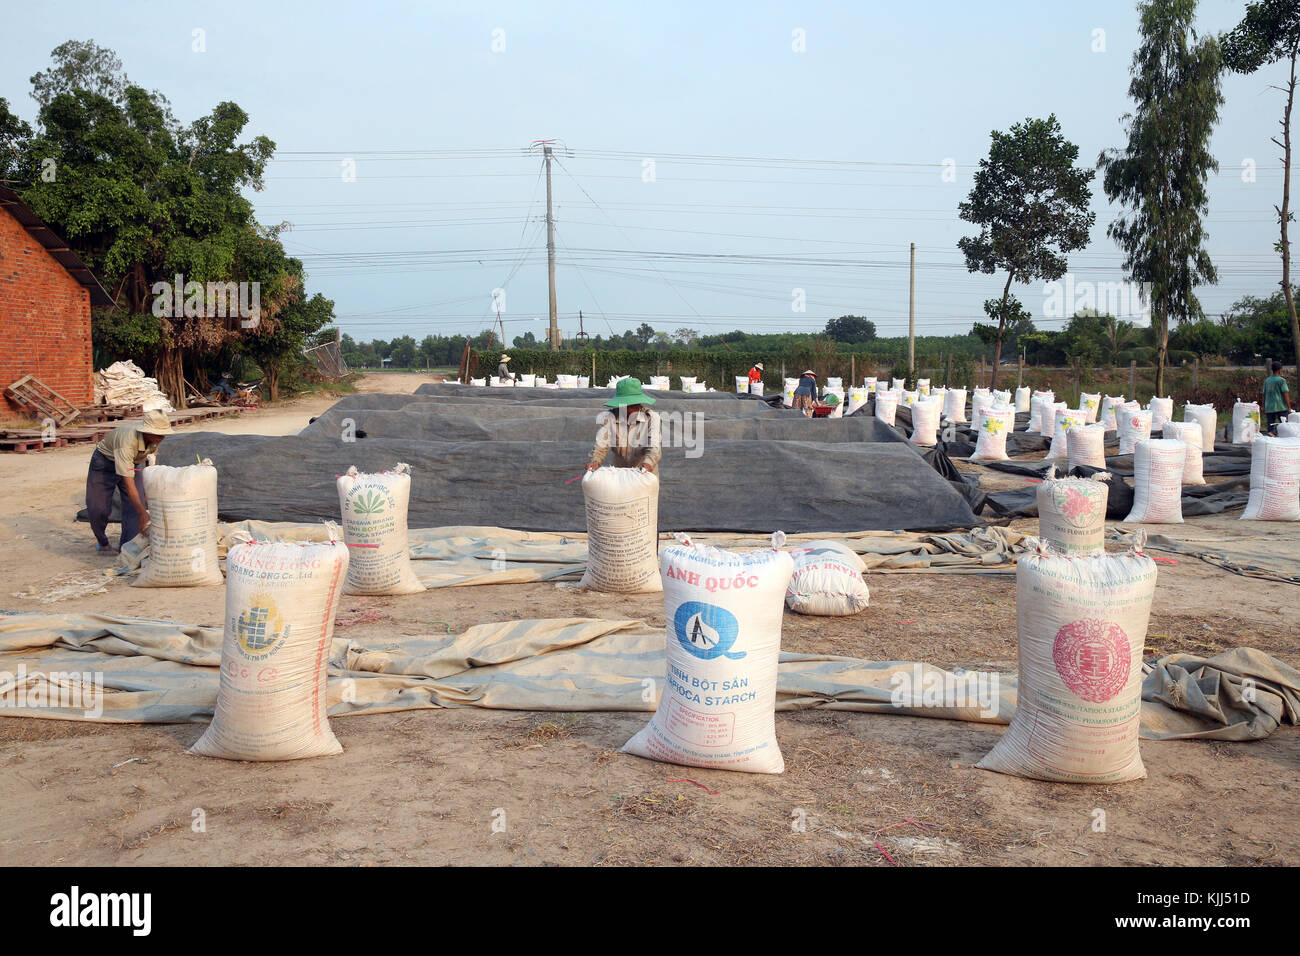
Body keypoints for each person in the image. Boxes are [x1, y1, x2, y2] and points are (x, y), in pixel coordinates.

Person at [86, 408, 173, 554]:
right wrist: (143, 513)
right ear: (146, 431)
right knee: (98, 508)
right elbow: (128, 482)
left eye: (163, 434)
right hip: (104, 462)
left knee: (136, 504)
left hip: (132, 463)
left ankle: (127, 549)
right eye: (158, 434)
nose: (161, 437)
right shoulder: (127, 441)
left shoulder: (154, 439)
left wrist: (148, 492)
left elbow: (151, 464)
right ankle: (103, 544)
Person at [587, 377, 662, 473]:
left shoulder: (651, 418)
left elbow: (654, 447)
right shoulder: (609, 418)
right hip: (620, 473)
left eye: (634, 404)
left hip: (644, 473)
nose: (631, 409)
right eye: (627, 405)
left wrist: (648, 463)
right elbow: (601, 445)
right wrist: (595, 460)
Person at [1263, 360, 1292, 436]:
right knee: (1284, 425)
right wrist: (1289, 407)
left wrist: (1264, 406)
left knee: (1270, 425)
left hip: (1269, 406)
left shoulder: (1267, 380)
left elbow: (1264, 394)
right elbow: (1285, 394)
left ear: (1272, 370)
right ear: (1280, 370)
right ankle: (1278, 436)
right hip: (1280, 406)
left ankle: (1270, 441)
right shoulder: (1281, 380)